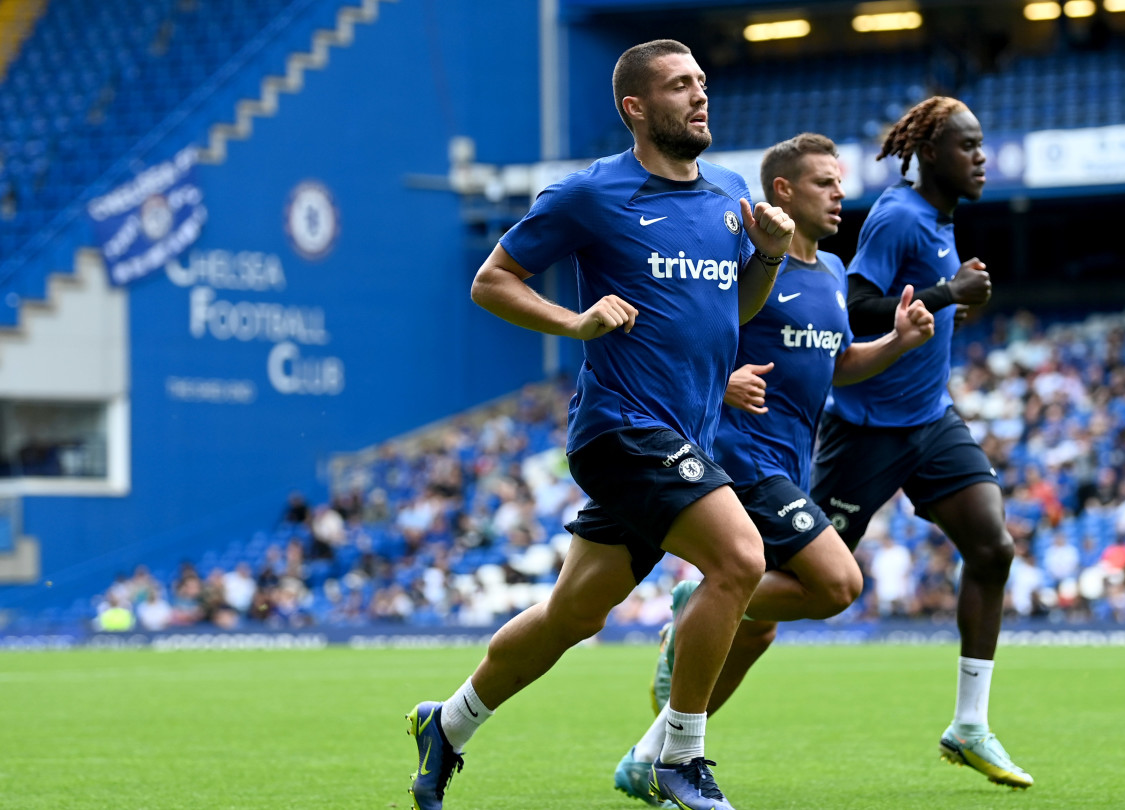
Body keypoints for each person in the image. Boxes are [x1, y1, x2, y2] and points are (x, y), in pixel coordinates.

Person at [405, 40, 795, 810]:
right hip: (622, 429)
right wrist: (575, 322)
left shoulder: (729, 193)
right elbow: (492, 281)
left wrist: (770, 258)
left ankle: (446, 724)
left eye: (701, 82)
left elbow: (732, 309)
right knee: (739, 557)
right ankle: (679, 755)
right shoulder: (592, 193)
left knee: (573, 613)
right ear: (635, 108)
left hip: (683, 434)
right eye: (679, 85)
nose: (699, 95)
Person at [612, 132, 936, 806]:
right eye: (824, 182)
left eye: (840, 182)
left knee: (755, 632)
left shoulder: (835, 272)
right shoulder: (752, 261)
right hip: (741, 458)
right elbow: (685, 329)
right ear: (783, 190)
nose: (840, 193)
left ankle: (650, 755)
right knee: (839, 583)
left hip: (791, 464)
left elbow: (838, 365)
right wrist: (722, 378)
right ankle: (695, 600)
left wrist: (898, 342)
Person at [810, 96, 1034, 788]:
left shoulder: (940, 218)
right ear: (930, 154)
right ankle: (695, 614)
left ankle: (970, 725)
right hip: (867, 430)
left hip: (931, 420)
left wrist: (955, 303)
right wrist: (948, 291)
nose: (981, 158)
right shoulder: (899, 216)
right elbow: (855, 311)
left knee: (993, 548)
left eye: (982, 145)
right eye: (968, 147)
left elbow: (919, 313)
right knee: (804, 582)